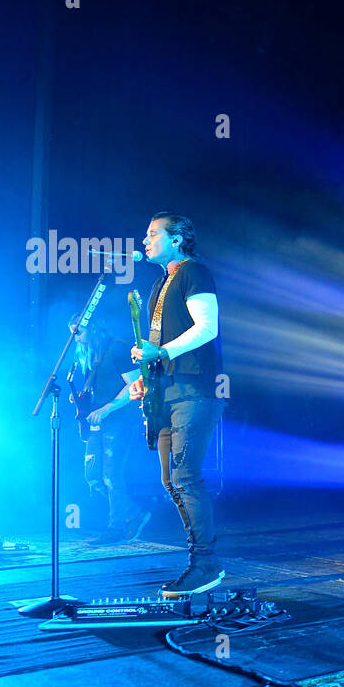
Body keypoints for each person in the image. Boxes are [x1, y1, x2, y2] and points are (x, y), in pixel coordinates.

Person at [129, 212, 226, 597]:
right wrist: (144, 376)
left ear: (177, 239)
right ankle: (202, 560)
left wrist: (162, 351)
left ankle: (205, 563)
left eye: (153, 234)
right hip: (164, 392)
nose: (144, 240)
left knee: (186, 478)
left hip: (193, 392)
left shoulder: (193, 272)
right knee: (171, 480)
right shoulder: (158, 286)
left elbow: (208, 327)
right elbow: (156, 348)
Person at [71, 311, 150, 545]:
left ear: (92, 328)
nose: (76, 339)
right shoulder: (90, 355)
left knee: (111, 476)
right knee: (93, 476)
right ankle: (134, 514)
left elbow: (136, 384)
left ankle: (116, 529)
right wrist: (83, 399)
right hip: (98, 421)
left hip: (120, 419)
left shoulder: (116, 348)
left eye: (78, 332)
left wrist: (107, 408)